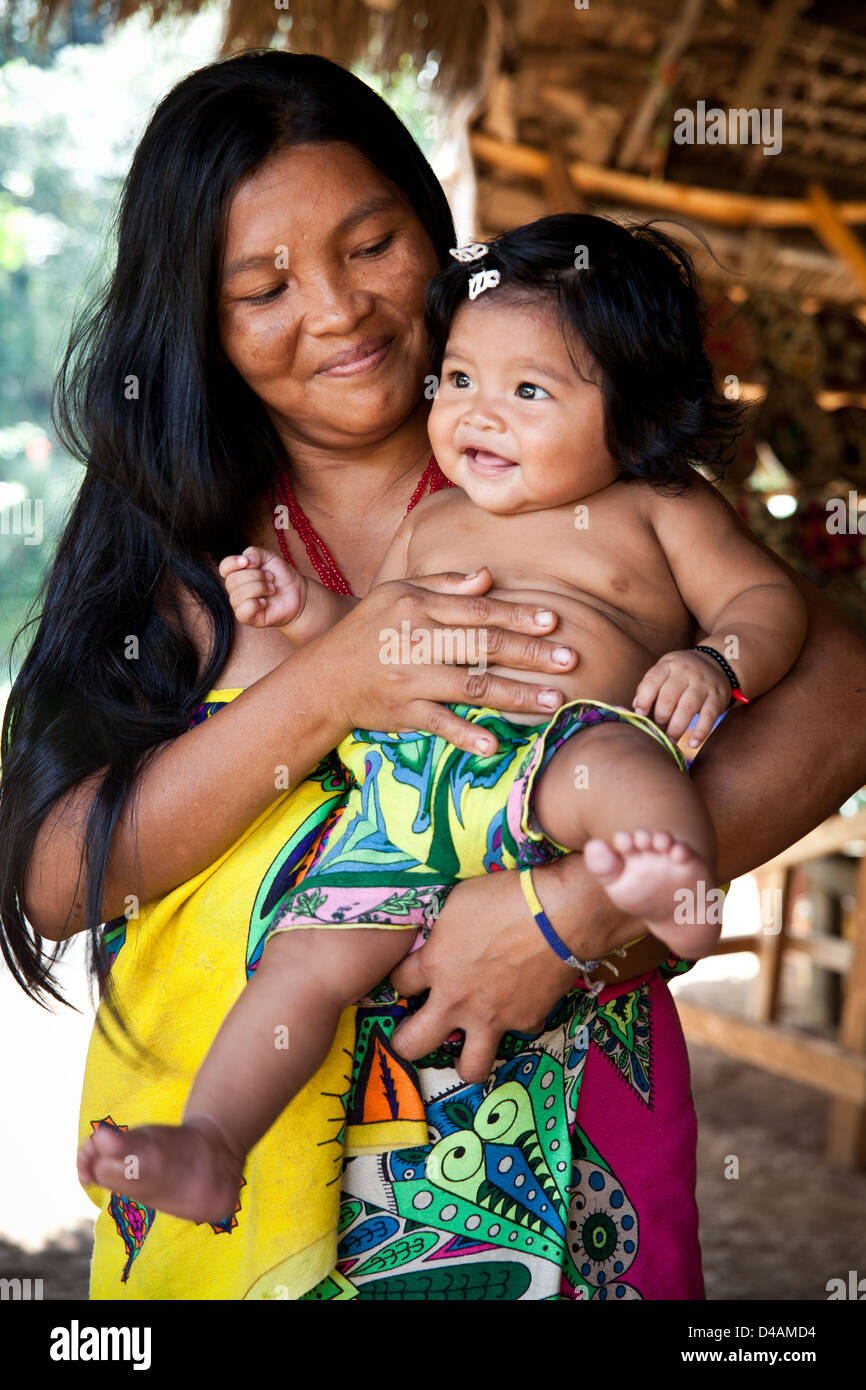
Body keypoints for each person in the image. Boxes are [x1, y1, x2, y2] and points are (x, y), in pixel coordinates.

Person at [2, 51, 864, 1302]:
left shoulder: (575, 458)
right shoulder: (174, 538)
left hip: (562, 1143)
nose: (339, 311)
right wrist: (324, 684)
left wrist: (565, 918)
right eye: (262, 285)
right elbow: (52, 874)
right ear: (197, 317)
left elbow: (835, 690)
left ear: (437, 234)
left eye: (371, 244)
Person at [75, 213, 810, 1230]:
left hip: (554, 753)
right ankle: (211, 1144)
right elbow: (376, 646)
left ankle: (669, 887)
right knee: (303, 962)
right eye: (458, 380)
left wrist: (711, 659)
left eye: (528, 391)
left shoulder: (660, 510)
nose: (478, 415)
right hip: (411, 791)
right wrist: (306, 614)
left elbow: (769, 607)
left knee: (614, 772)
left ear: (631, 412)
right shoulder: (434, 519)